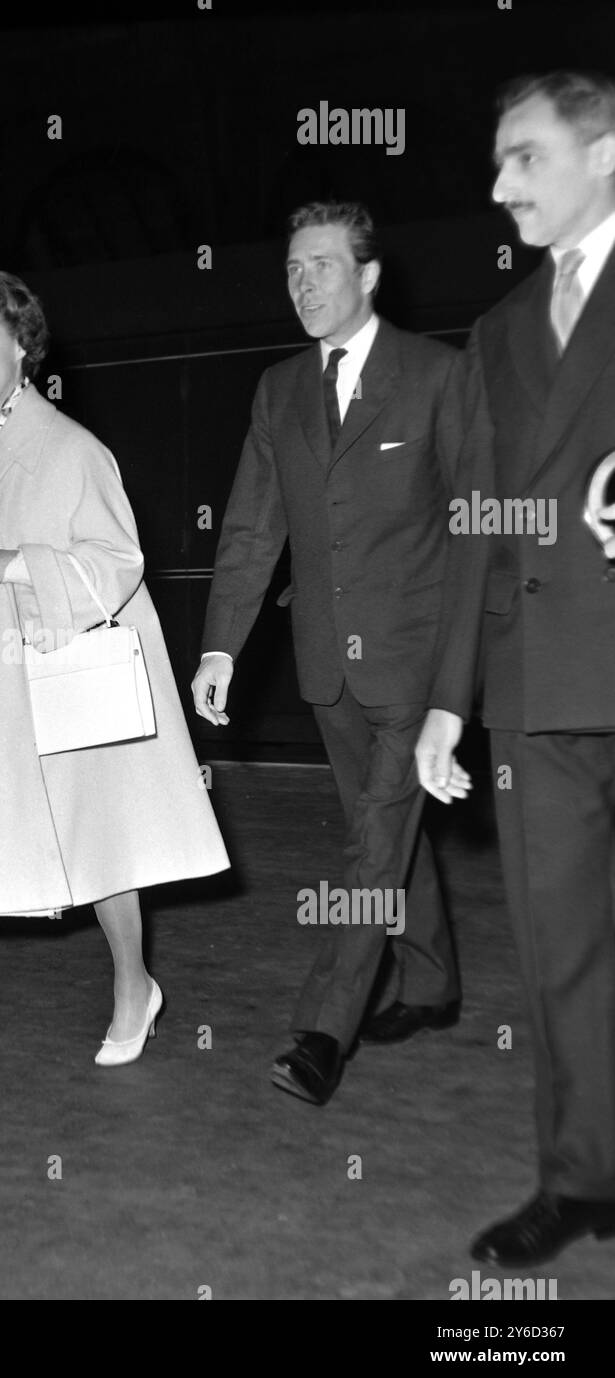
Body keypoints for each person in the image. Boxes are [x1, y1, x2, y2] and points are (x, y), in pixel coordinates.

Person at [0, 269, 230, 1117]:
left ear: (22, 346)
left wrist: (15, 565)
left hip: (60, 676)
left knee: (95, 842)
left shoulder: (74, 449)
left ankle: (134, 983)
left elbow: (117, 563)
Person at [193, 202, 463, 1106]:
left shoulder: (436, 376)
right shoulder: (277, 389)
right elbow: (251, 526)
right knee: (382, 833)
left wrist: (464, 676)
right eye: (291, 269)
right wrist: (221, 647)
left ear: (369, 276)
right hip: (326, 664)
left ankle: (320, 1029)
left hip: (414, 662)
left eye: (320, 264)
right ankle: (428, 982)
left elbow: (476, 530)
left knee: (370, 842)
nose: (302, 283)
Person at [415, 70, 615, 1266]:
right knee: (560, 949)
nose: (500, 186)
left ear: (606, 153)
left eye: (526, 157)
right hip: (540, 691)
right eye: (498, 162)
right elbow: (477, 523)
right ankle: (583, 1175)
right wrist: (450, 700)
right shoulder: (493, 337)